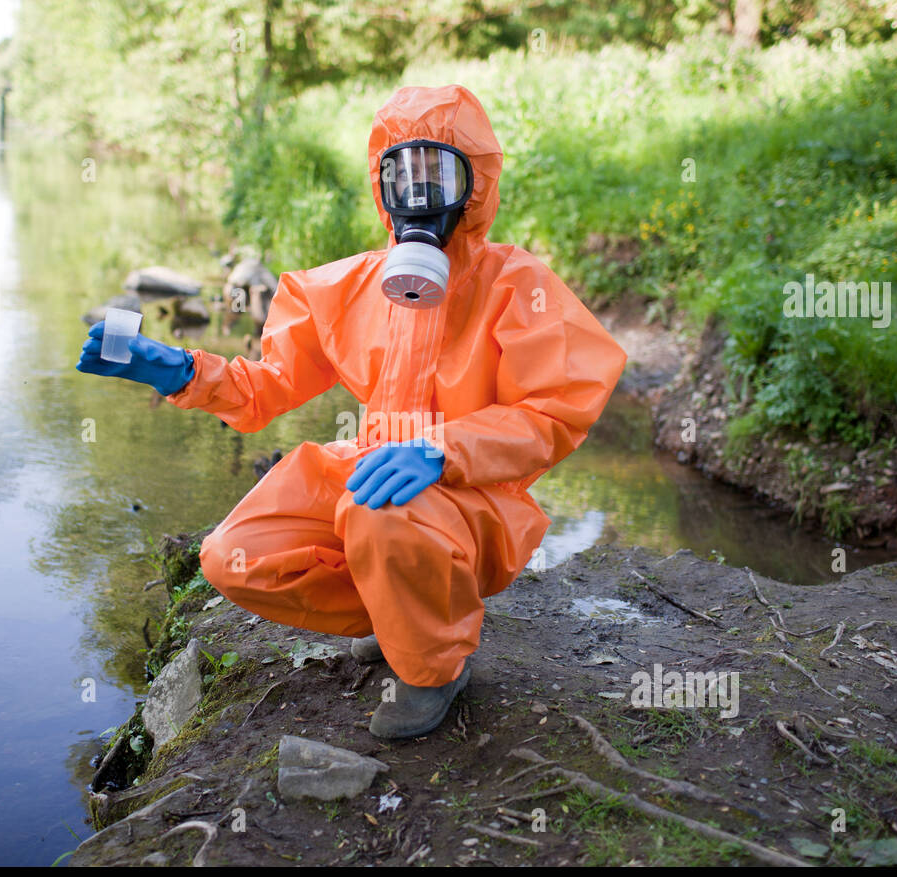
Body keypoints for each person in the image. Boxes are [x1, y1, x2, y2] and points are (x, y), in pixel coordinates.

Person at [77, 85, 627, 739]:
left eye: (440, 173)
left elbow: (552, 413)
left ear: (475, 187)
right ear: (381, 185)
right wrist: (181, 371)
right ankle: (401, 617)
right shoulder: (349, 288)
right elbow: (265, 389)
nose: (420, 195)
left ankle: (436, 668)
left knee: (380, 513)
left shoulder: (517, 285)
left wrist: (442, 450)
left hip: (475, 496)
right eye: (403, 174)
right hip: (376, 473)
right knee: (233, 555)